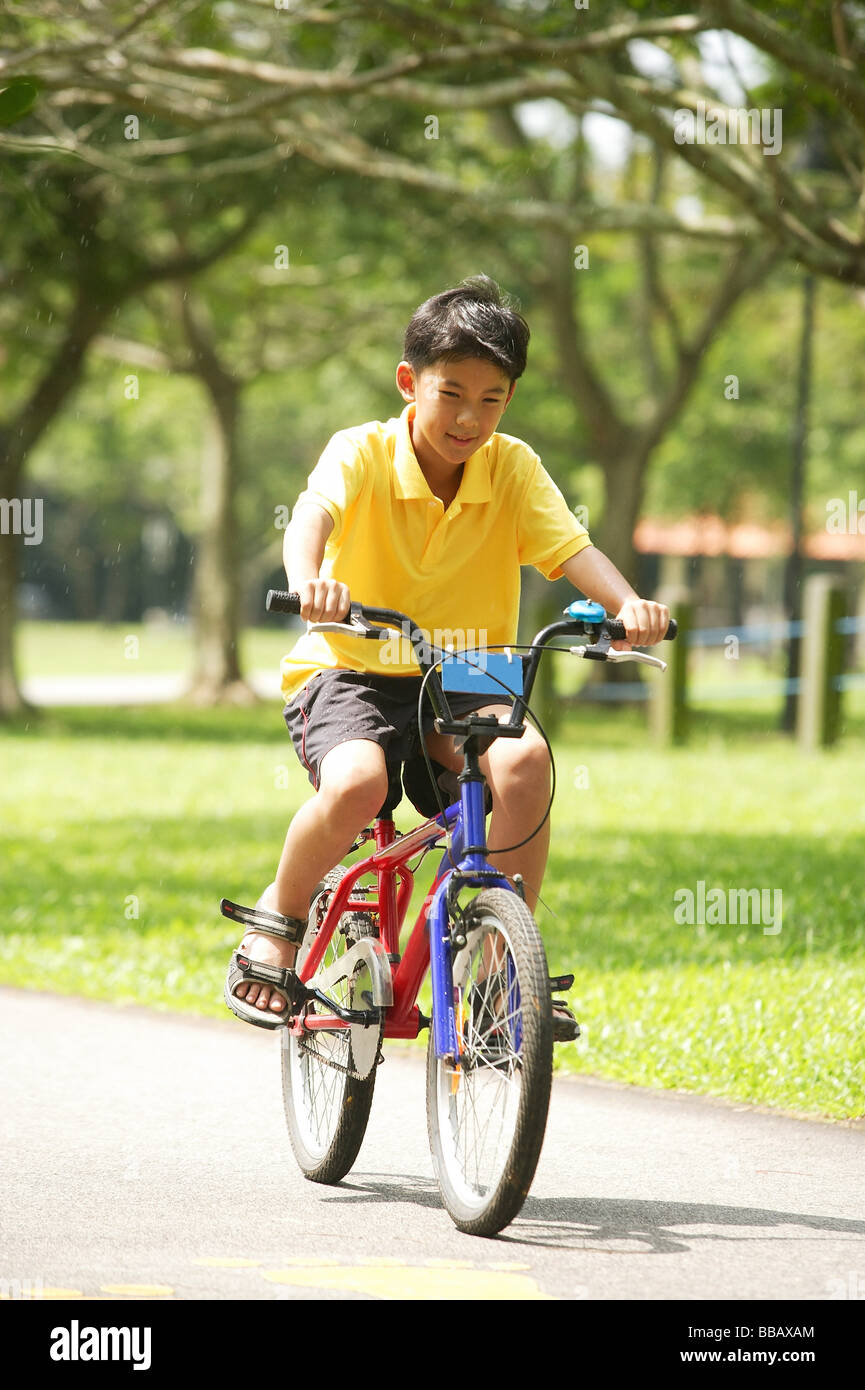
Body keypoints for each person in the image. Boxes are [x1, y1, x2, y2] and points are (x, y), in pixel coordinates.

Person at [224, 274, 669, 1028]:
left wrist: (628, 606)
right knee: (357, 784)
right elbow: (311, 518)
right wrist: (309, 584)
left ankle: (498, 971)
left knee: (526, 765)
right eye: (451, 393)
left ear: (510, 398)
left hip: (465, 668)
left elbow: (572, 550)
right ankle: (278, 919)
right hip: (352, 665)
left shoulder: (512, 467)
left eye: (491, 399)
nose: (469, 417)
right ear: (410, 382)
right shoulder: (360, 451)